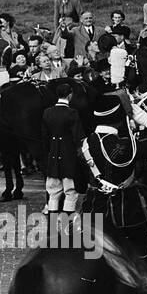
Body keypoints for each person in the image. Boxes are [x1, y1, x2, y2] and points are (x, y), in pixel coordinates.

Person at [41, 78, 87, 219]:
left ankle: (52, 226)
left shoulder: (47, 112)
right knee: (70, 191)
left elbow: (44, 136)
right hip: (68, 156)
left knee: (53, 192)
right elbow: (78, 137)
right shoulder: (72, 113)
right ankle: (67, 225)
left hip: (53, 155)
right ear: (70, 95)